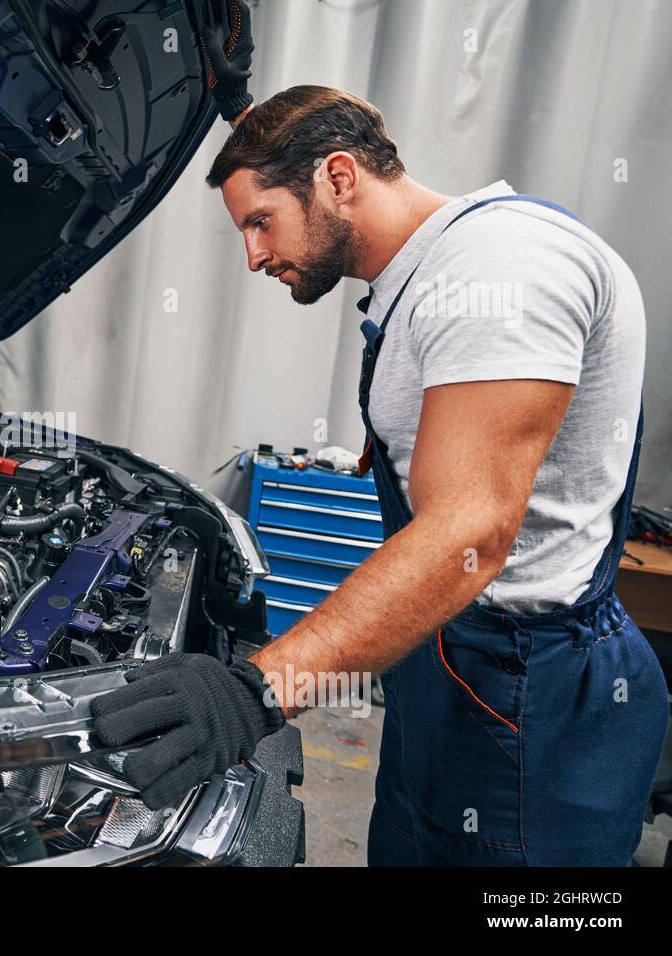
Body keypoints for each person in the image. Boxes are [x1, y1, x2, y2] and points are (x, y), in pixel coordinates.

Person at [91, 0, 668, 865]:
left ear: (339, 177)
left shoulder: (497, 272)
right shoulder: (427, 281)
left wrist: (258, 694)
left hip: (530, 694)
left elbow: (470, 530)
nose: (253, 256)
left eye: (259, 222)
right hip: (450, 669)